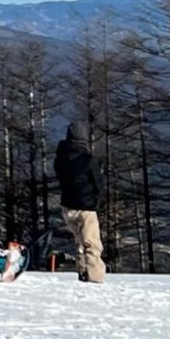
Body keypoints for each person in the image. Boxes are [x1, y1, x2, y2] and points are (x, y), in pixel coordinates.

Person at [55, 121, 107, 283]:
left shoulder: (60, 159)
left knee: (79, 240)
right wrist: (98, 202)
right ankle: (95, 276)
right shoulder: (89, 160)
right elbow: (98, 184)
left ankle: (82, 270)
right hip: (86, 207)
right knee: (92, 243)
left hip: (67, 205)